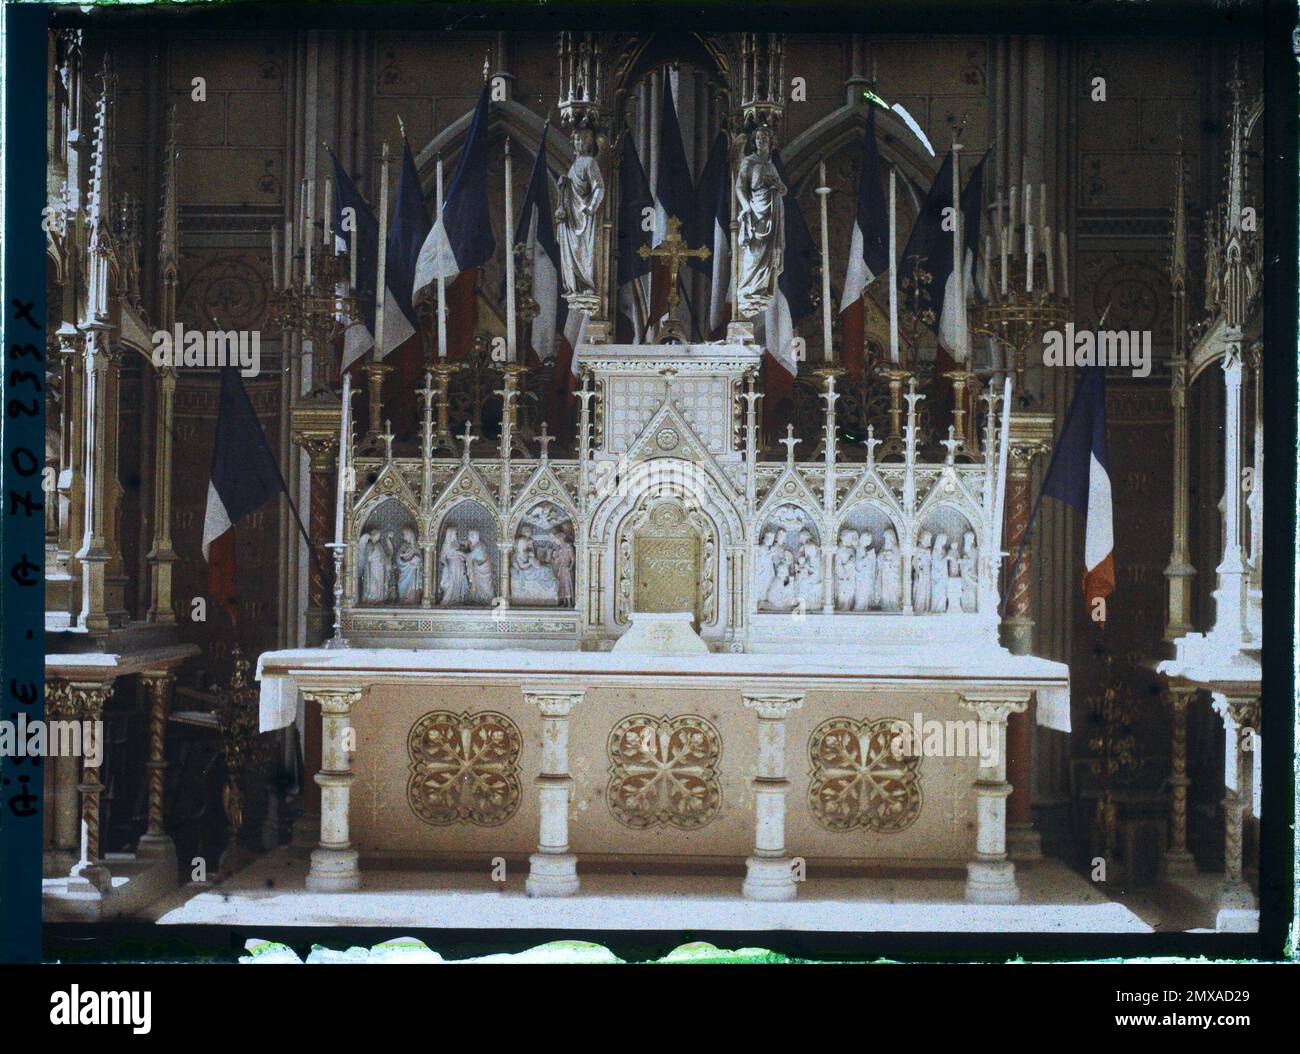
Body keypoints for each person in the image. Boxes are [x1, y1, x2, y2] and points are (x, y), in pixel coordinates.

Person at [734, 124, 786, 317]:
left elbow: (783, 190)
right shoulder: (749, 162)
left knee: (769, 255)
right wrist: (746, 206)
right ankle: (748, 290)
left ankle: (761, 289)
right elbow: (740, 187)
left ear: (770, 142)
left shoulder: (771, 165)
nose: (761, 141)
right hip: (757, 213)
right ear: (754, 142)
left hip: (773, 215)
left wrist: (778, 185)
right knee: (754, 253)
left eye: (765, 138)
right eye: (758, 138)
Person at [358, 525, 392, 605]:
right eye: (376, 537)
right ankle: (371, 597)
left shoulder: (378, 545)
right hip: (372, 567)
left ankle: (379, 597)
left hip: (379, 568)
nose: (377, 539)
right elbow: (367, 557)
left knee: (379, 582)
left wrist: (384, 561)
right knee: (373, 582)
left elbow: (383, 556)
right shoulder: (369, 545)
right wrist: (372, 553)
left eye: (378, 537)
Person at [437, 527, 468, 607]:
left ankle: (457, 599)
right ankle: (449, 599)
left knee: (459, 581)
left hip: (460, 565)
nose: (455, 535)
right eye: (454, 533)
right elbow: (442, 558)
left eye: (456, 533)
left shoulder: (457, 543)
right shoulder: (446, 545)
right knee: (452, 581)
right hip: (452, 565)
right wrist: (446, 566)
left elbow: (465, 547)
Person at [465, 529, 496, 605]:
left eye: (470, 536)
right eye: (469, 536)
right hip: (479, 567)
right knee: (479, 584)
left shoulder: (479, 546)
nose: (469, 537)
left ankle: (488, 598)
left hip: (483, 568)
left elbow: (470, 556)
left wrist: (461, 554)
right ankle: (479, 598)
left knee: (485, 585)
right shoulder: (476, 544)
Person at [394, 525, 423, 605]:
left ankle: (412, 600)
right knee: (401, 586)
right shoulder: (404, 546)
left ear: (410, 535)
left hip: (413, 573)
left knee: (412, 588)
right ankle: (403, 600)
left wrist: (417, 560)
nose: (404, 537)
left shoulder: (417, 546)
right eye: (403, 535)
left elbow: (421, 560)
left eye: (405, 535)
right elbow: (398, 559)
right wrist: (405, 561)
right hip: (404, 571)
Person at [877, 528, 904, 611]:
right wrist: (882, 556)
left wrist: (889, 559)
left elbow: (899, 561)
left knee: (893, 590)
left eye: (888, 538)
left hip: (893, 574)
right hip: (885, 573)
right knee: (885, 590)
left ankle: (894, 606)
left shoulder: (896, 549)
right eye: (885, 538)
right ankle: (886, 606)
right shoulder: (884, 548)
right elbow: (878, 558)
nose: (887, 540)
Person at [552, 523, 576, 607]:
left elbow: (573, 558)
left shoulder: (568, 547)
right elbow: (556, 561)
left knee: (567, 585)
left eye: (557, 540)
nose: (557, 542)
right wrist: (555, 557)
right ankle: (564, 601)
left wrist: (570, 567)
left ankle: (570, 602)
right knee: (561, 586)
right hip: (561, 569)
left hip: (567, 568)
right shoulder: (559, 549)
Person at [833, 530, 858, 611]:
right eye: (849, 538)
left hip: (851, 576)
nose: (850, 540)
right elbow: (837, 564)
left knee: (850, 593)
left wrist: (853, 562)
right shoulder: (840, 550)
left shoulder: (851, 549)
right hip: (843, 577)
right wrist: (848, 565)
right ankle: (842, 609)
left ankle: (848, 608)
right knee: (843, 594)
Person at [853, 532, 877, 611]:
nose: (868, 543)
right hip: (861, 577)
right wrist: (868, 557)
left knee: (865, 592)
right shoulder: (860, 549)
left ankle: (864, 607)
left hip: (865, 575)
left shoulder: (863, 549)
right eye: (867, 540)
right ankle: (860, 607)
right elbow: (858, 563)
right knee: (861, 592)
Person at [912, 529, 932, 614]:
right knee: (920, 590)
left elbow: (930, 561)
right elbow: (914, 561)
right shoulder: (918, 549)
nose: (928, 541)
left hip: (927, 573)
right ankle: (919, 608)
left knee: (926, 590)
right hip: (921, 573)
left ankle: (925, 608)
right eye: (927, 539)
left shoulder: (927, 550)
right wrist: (919, 568)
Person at [929, 533, 950, 614]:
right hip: (937, 575)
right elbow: (936, 564)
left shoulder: (942, 550)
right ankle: (936, 609)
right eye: (944, 540)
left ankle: (942, 608)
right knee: (937, 592)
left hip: (943, 575)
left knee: (943, 593)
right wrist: (946, 558)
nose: (945, 542)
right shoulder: (936, 550)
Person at [960, 531, 979, 613]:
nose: (967, 541)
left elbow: (974, 562)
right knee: (964, 591)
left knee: (971, 592)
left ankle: (971, 608)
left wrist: (966, 562)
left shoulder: (975, 550)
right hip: (964, 574)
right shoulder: (964, 549)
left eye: (969, 539)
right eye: (966, 539)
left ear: (972, 540)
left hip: (972, 574)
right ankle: (964, 607)